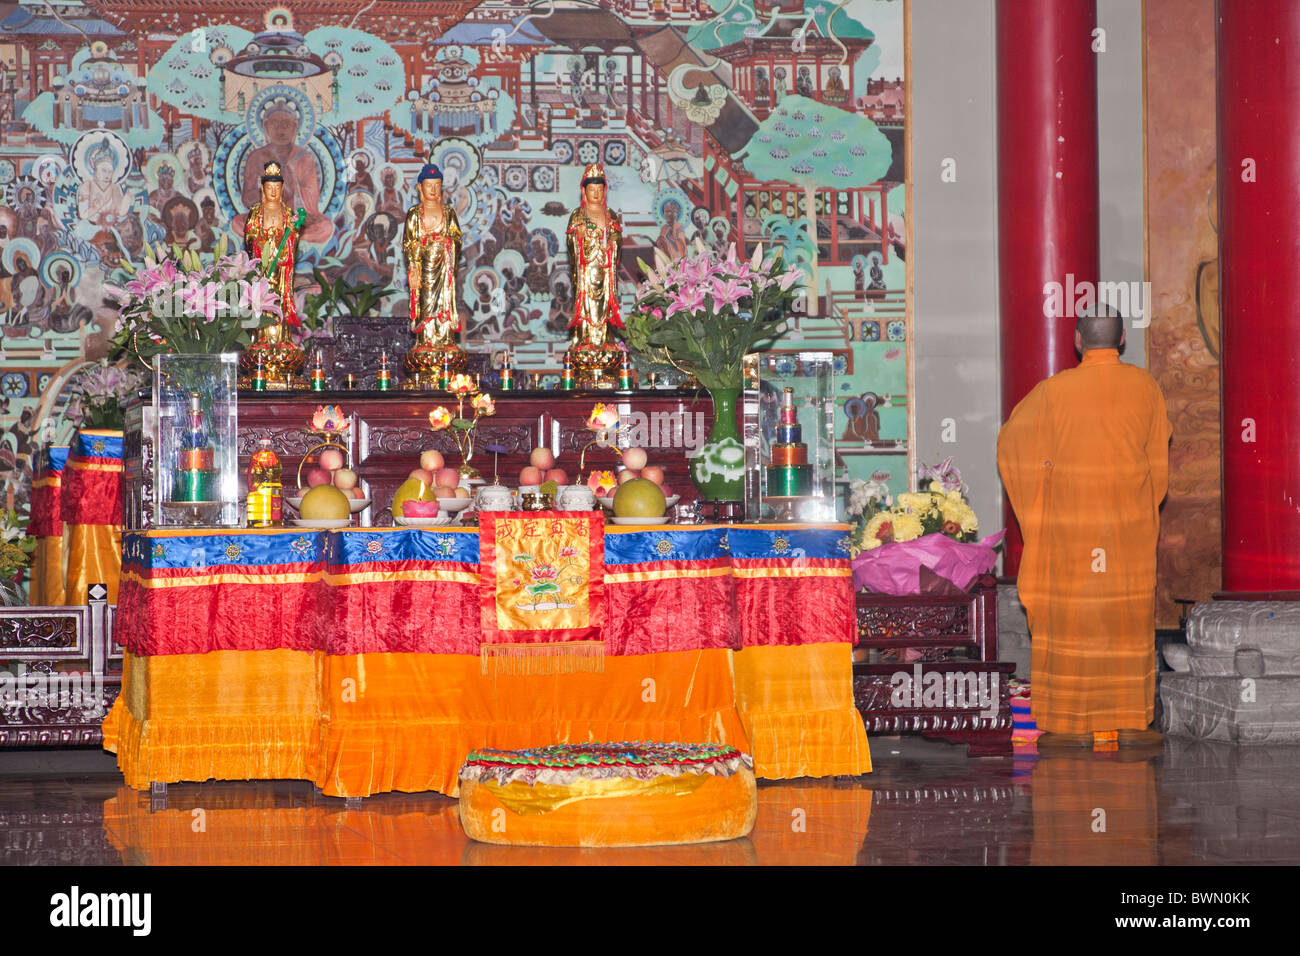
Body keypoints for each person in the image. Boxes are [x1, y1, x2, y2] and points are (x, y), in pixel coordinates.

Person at [997, 311, 1171, 749]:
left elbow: (1013, 448)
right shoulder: (1146, 388)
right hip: (1126, 535)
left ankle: (1068, 722)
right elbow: (1158, 471)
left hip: (1070, 537)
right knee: (1123, 622)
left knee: (1073, 622)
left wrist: (1046, 499)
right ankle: (1129, 718)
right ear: (1124, 339)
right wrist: (1134, 507)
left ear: (1077, 341)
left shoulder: (1053, 393)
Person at [403, 163, 463, 361]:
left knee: (444, 302)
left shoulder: (448, 213)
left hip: (444, 268)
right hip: (424, 269)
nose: (433, 189)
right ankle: (425, 341)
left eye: (437, 185)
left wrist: (446, 242)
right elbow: (408, 242)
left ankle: (445, 340)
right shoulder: (414, 214)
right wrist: (416, 260)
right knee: (427, 302)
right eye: (429, 185)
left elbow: (457, 238)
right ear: (420, 187)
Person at [565, 162, 623, 348]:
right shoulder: (578, 215)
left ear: (604, 191)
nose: (596, 194)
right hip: (586, 270)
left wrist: (611, 244)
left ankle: (605, 340)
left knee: (605, 305)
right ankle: (585, 339)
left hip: (605, 268)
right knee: (585, 304)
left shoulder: (610, 214)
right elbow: (570, 241)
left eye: (599, 189)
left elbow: (617, 237)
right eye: (592, 189)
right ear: (585, 191)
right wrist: (579, 238)